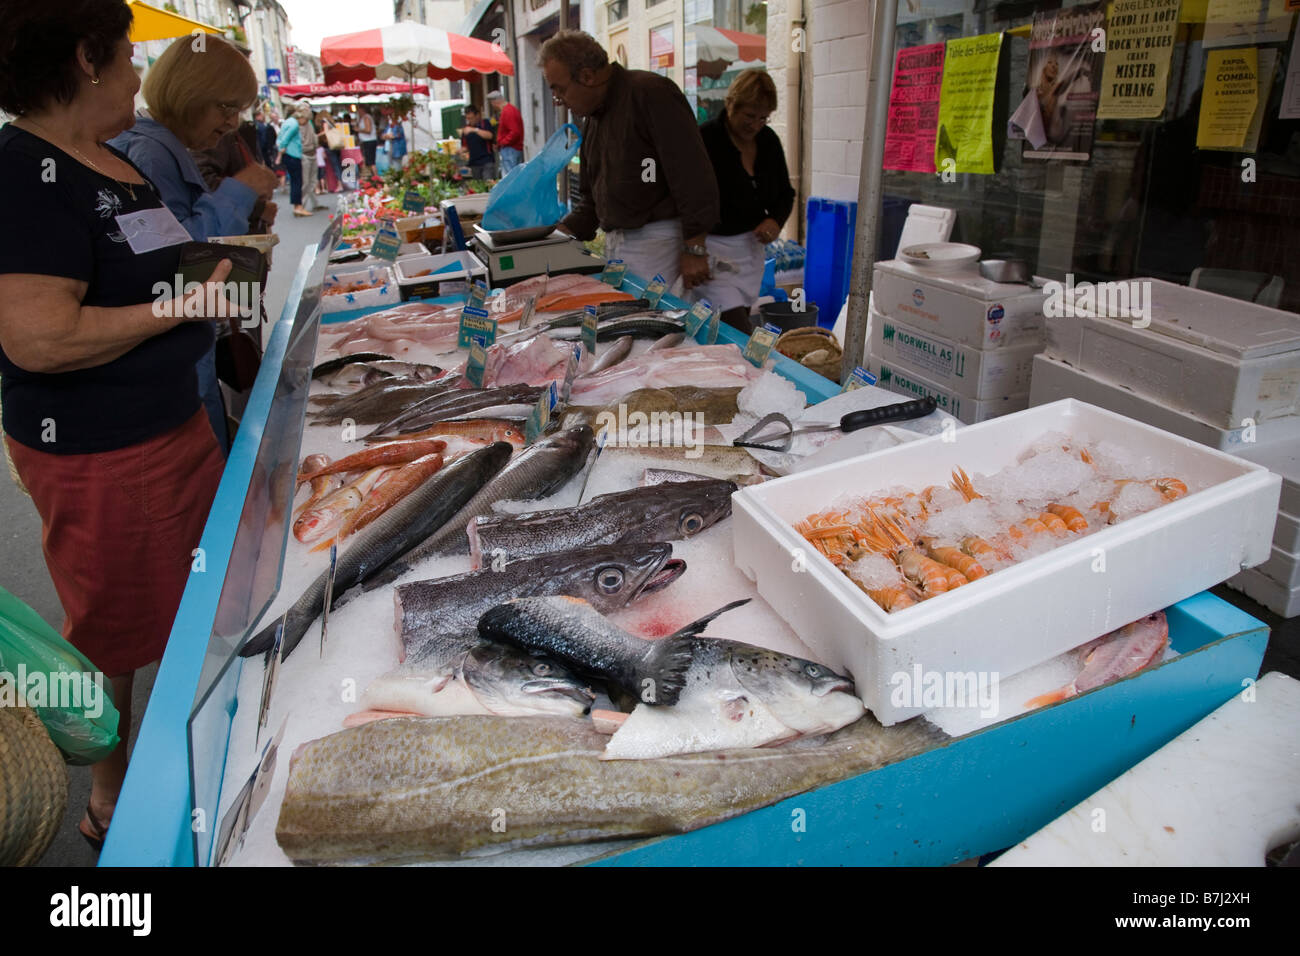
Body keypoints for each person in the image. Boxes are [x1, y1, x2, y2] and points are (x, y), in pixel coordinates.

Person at [0, 0, 232, 853]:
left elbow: (151, 274)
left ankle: (182, 754)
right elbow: (39, 336)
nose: (142, 75)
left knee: (186, 608)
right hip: (101, 447)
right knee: (116, 624)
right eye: (130, 58)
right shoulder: (23, 170)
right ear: (88, 58)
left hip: (171, 425)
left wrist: (222, 269)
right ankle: (114, 797)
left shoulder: (109, 161)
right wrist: (180, 305)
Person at [109, 33, 279, 453]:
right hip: (177, 362)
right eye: (225, 107)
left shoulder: (156, 146)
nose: (232, 122)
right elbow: (180, 253)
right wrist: (239, 191)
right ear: (188, 93)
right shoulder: (150, 152)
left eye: (237, 110)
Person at [541, 30, 718, 292]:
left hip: (658, 243)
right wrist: (561, 232)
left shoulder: (650, 93)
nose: (560, 102)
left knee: (658, 324)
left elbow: (691, 174)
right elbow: (591, 200)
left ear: (588, 76)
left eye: (560, 91)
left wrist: (695, 246)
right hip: (620, 245)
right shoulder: (593, 119)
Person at [694, 69, 794, 332]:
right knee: (737, 330)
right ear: (730, 104)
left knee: (735, 321)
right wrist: (691, 249)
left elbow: (786, 193)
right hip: (711, 250)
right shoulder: (705, 139)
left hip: (750, 251)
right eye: (749, 115)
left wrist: (775, 220)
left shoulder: (769, 141)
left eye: (763, 118)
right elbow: (686, 199)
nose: (755, 125)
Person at [275, 107, 312, 217]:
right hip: (293, 155)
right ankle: (298, 206)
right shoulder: (294, 125)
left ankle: (297, 206)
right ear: (302, 117)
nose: (305, 123)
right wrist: (281, 149)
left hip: (289, 155)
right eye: (305, 120)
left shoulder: (287, 122)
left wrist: (280, 150)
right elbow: (285, 139)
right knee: (297, 182)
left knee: (295, 181)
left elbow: (280, 138)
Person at [487, 89, 524, 174]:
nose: (493, 106)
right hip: (512, 148)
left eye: (492, 103)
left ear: (494, 102)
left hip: (510, 149)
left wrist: (502, 142)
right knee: (513, 176)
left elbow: (515, 132)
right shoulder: (510, 110)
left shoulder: (507, 111)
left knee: (509, 177)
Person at [459, 103, 495, 180]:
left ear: (477, 115)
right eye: (467, 118)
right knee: (478, 185)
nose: (469, 120)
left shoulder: (485, 123)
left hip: (487, 161)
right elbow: (466, 147)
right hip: (474, 163)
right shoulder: (466, 129)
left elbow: (490, 136)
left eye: (471, 118)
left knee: (488, 183)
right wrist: (461, 151)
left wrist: (474, 130)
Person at [296, 103, 320, 211]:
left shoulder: (309, 124)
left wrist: (315, 145)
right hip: (305, 154)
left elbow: (314, 137)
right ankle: (301, 205)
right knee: (305, 182)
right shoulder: (297, 127)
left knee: (312, 181)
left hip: (312, 153)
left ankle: (314, 203)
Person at [317, 110, 344, 191]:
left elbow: (326, 132)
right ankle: (340, 183)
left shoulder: (324, 122)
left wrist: (316, 136)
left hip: (330, 146)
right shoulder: (331, 122)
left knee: (335, 166)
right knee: (338, 165)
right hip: (336, 146)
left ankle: (339, 185)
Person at [356, 106, 378, 178]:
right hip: (367, 141)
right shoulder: (363, 118)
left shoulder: (366, 117)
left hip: (369, 141)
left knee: (371, 161)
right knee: (369, 161)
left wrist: (358, 130)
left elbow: (368, 130)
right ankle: (373, 177)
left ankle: (376, 177)